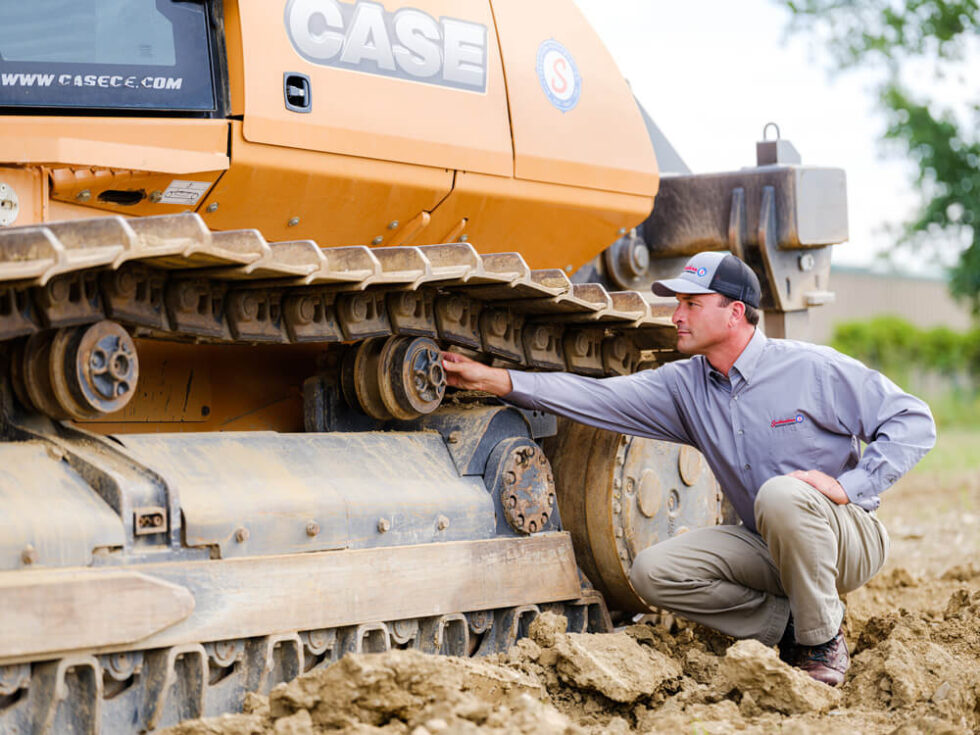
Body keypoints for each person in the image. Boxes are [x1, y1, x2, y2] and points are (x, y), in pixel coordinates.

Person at [442, 251, 936, 687]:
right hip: (767, 544)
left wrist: (849, 486)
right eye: (677, 303)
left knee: (781, 494)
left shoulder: (811, 368)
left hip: (846, 538)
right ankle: (788, 625)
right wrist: (496, 380)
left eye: (691, 304)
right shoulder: (684, 387)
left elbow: (913, 421)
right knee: (653, 572)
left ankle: (822, 642)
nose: (676, 315)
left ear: (734, 312)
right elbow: (595, 396)